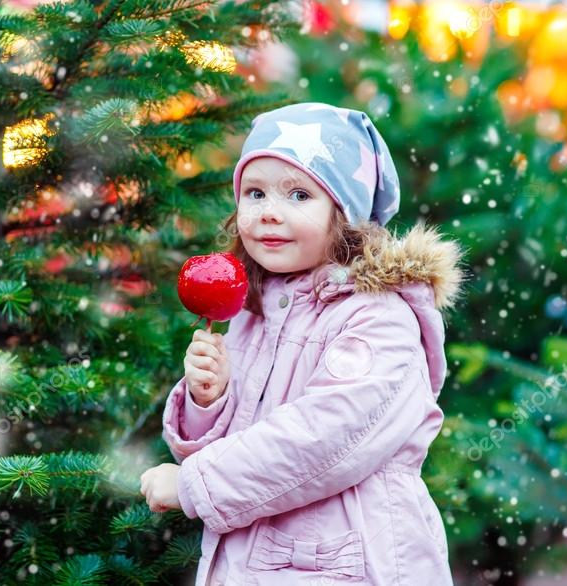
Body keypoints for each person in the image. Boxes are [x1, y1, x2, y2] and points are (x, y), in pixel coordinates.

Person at [140, 102, 465, 585]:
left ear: (345, 214)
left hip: (344, 564)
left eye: (298, 194)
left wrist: (195, 485)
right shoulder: (257, 311)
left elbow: (325, 437)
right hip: (260, 560)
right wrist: (209, 400)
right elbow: (245, 432)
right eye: (255, 193)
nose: (269, 212)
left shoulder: (378, 316)